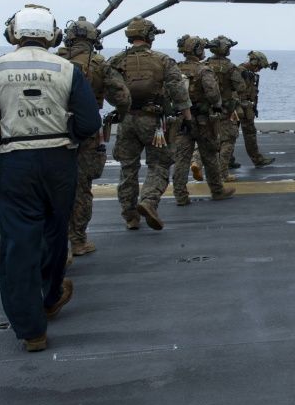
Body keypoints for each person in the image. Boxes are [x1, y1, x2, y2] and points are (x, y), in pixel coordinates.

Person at [0, 5, 101, 352]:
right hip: (58, 160)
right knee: (56, 233)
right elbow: (89, 122)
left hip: (15, 160)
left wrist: (6, 137)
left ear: (13, 33)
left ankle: (31, 330)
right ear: (53, 35)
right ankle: (51, 295)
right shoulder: (67, 69)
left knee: (18, 242)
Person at [107, 18, 191, 231]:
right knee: (160, 164)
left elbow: (108, 90)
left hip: (126, 120)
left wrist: (122, 107)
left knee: (128, 167)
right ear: (150, 36)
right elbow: (178, 92)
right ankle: (149, 201)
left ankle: (130, 216)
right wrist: (188, 118)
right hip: (154, 123)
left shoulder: (115, 61)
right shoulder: (162, 60)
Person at [56, 17, 130, 258]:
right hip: (85, 132)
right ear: (93, 40)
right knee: (82, 187)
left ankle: (54, 244)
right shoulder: (99, 64)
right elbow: (122, 97)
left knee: (50, 186)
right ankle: (78, 241)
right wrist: (118, 115)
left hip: (52, 130)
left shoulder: (53, 61)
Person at [172, 35, 237, 205]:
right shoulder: (204, 70)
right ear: (198, 50)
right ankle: (217, 190)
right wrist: (217, 106)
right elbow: (213, 95)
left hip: (181, 120)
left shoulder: (176, 68)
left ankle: (180, 195)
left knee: (182, 158)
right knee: (209, 156)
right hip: (203, 121)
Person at [205, 35, 245, 182]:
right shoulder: (230, 67)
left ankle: (196, 162)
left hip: (206, 108)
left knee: (205, 140)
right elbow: (240, 86)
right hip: (225, 109)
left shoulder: (205, 65)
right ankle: (222, 173)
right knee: (228, 140)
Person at [230, 50, 277, 168]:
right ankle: (256, 159)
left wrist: (269, 64)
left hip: (245, 107)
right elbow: (233, 91)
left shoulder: (246, 71)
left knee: (238, 134)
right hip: (239, 107)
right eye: (259, 67)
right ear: (253, 62)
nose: (259, 69)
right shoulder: (240, 72)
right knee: (237, 134)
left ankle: (229, 160)